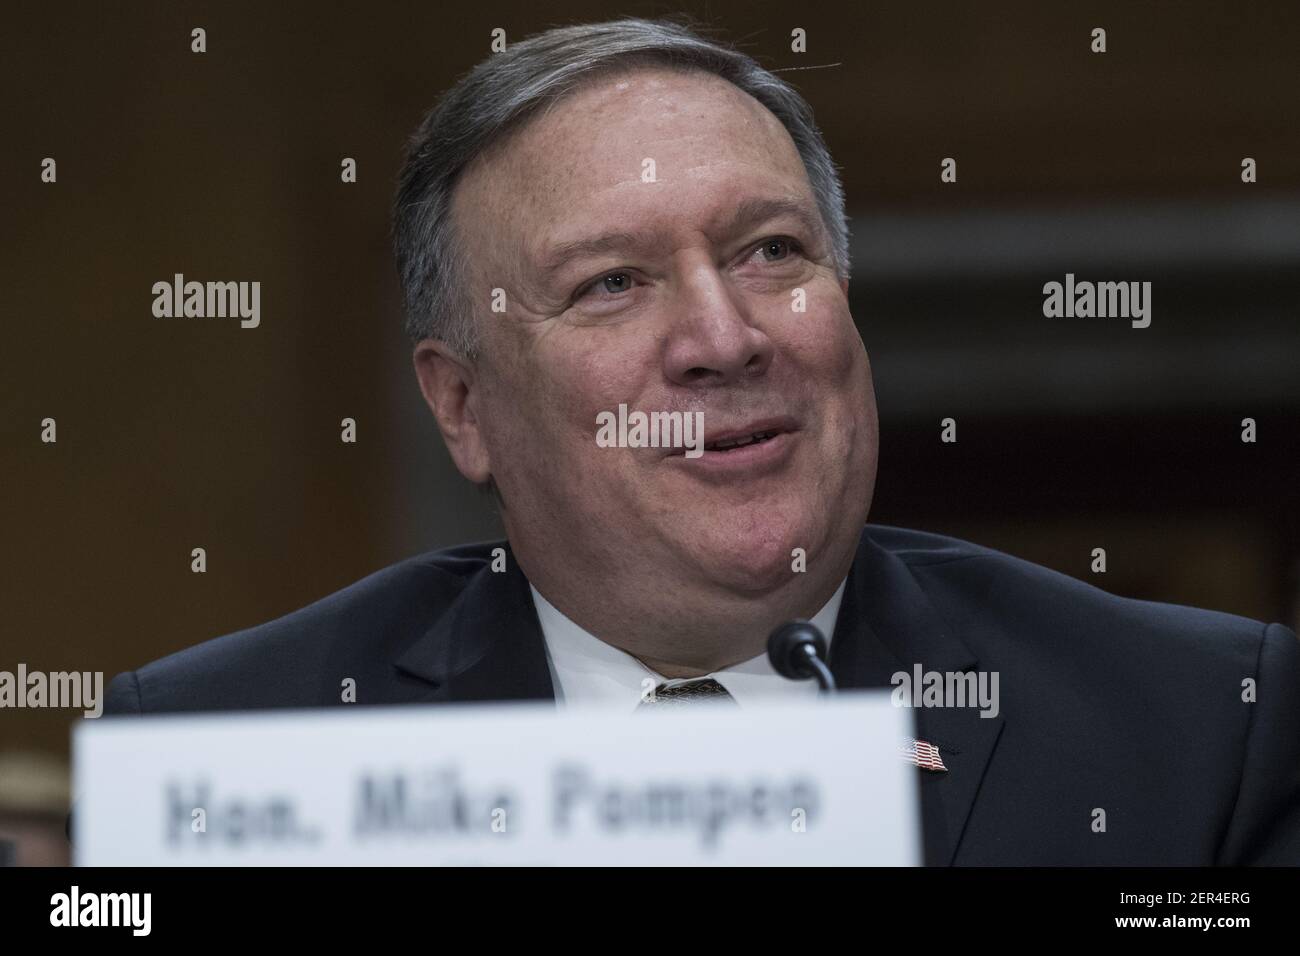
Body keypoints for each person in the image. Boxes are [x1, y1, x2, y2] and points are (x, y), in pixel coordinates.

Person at [102, 17, 1300, 865]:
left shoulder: (1205, 724)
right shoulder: (228, 748)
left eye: (771, 251)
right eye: (614, 281)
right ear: (463, 408)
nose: (722, 338)